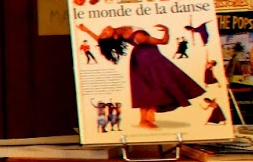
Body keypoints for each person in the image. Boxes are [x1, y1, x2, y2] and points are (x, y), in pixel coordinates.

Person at [77, 22, 205, 129]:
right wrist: (167, 30)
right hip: (149, 60)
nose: (104, 30)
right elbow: (163, 41)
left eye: (103, 32)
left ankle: (148, 117)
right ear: (114, 37)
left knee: (155, 86)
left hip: (146, 58)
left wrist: (87, 30)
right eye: (105, 33)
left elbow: (101, 40)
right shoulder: (139, 37)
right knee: (153, 87)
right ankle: (144, 120)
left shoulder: (119, 32)